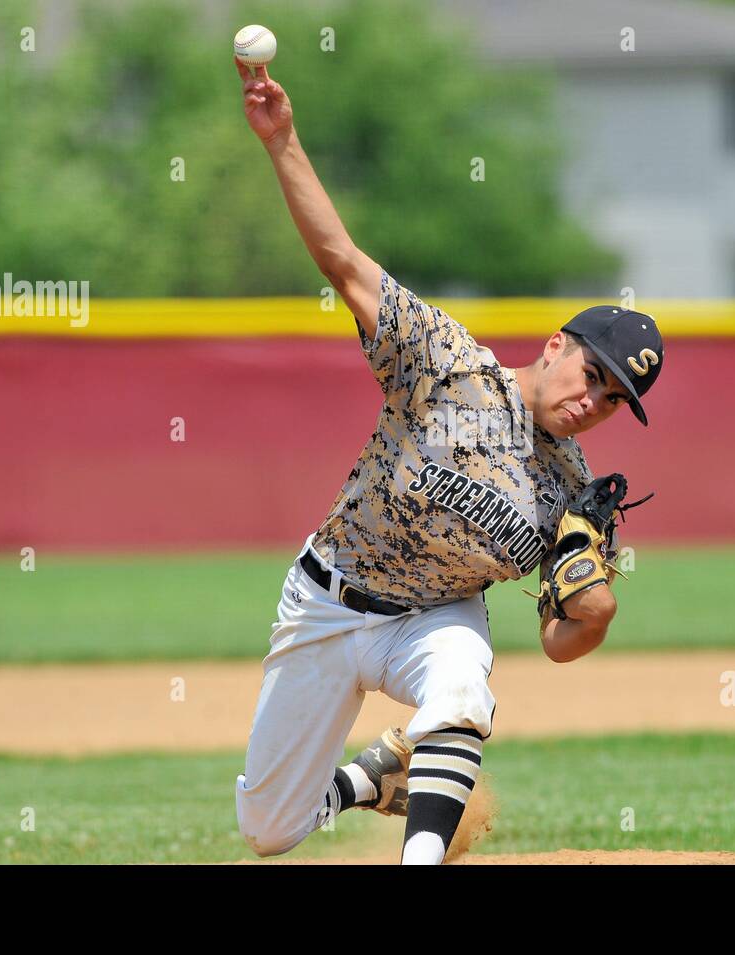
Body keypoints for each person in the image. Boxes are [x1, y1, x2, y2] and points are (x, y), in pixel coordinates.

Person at [232, 57, 664, 865]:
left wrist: (593, 613)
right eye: (593, 373)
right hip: (326, 599)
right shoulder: (447, 362)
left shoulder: (568, 490)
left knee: (465, 687)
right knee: (269, 830)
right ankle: (378, 774)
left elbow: (558, 640)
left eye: (612, 399)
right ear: (556, 346)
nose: (593, 399)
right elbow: (345, 263)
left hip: (432, 621)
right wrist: (282, 140)